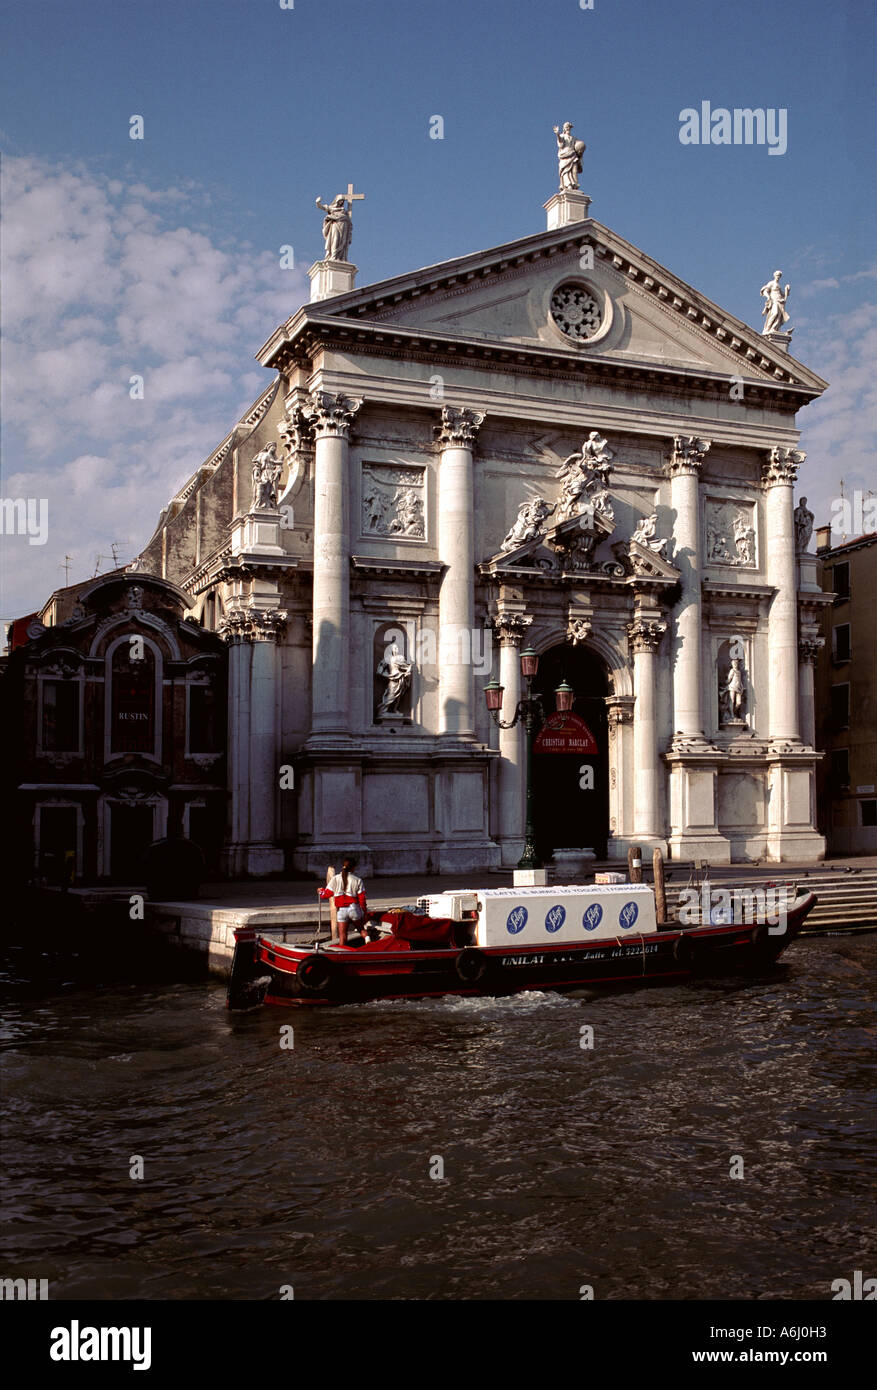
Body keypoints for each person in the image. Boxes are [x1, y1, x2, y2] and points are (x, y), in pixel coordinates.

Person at [319, 856, 367, 945]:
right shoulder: (358, 880)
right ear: (353, 868)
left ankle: (341, 953)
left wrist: (320, 891)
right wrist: (364, 912)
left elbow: (326, 895)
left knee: (343, 935)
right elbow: (362, 899)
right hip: (354, 909)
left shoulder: (335, 879)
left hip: (341, 911)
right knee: (362, 930)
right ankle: (368, 942)